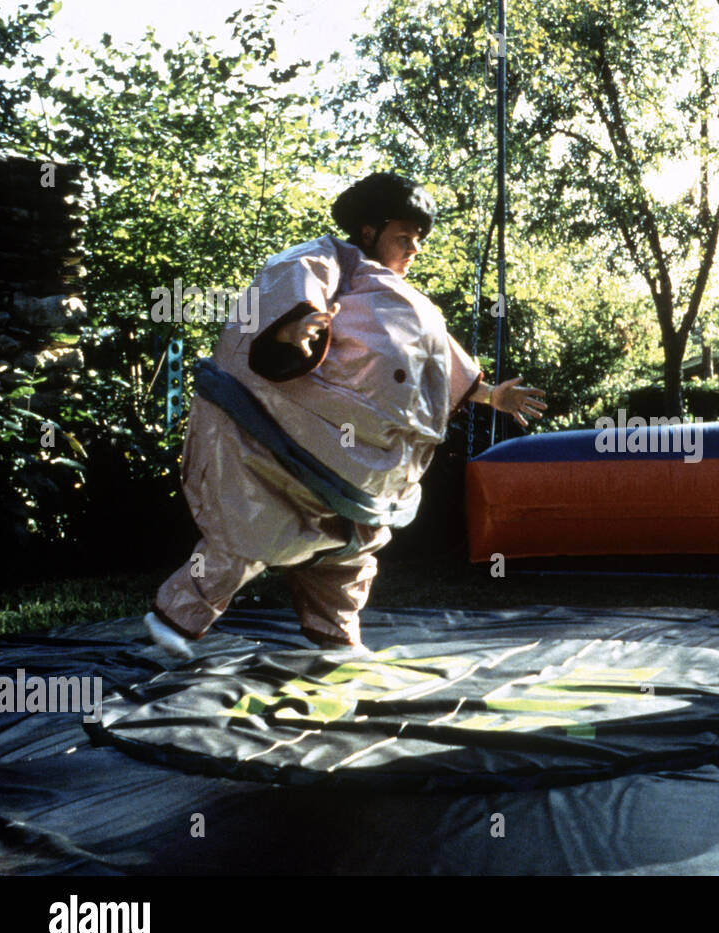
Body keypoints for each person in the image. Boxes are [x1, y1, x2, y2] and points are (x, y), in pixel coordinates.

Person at [145, 172, 545, 658]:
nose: (414, 248)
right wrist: (297, 324)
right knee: (255, 530)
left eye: (418, 239)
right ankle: (176, 619)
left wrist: (489, 395)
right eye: (405, 236)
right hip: (289, 438)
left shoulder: (413, 302)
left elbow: (444, 363)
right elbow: (294, 284)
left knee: (354, 547)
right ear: (369, 231)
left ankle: (335, 634)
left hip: (363, 465)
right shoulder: (337, 260)